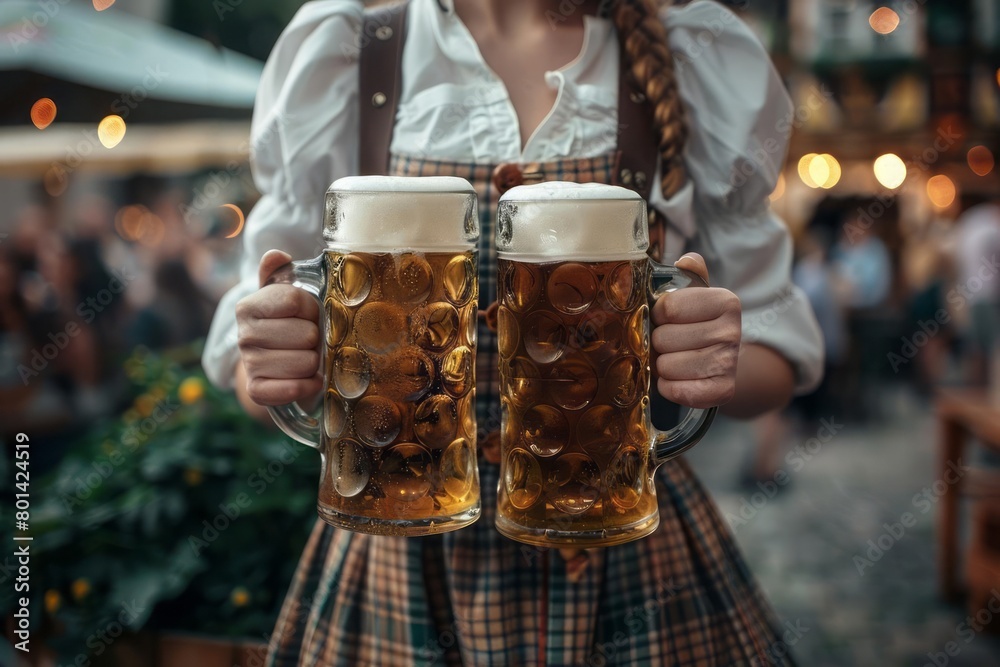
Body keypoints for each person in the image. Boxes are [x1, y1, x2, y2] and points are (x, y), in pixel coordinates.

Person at [203, 1, 824, 664]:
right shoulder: (348, 52)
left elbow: (776, 352)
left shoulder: (690, 55)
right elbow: (257, 362)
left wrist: (710, 360)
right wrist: (277, 362)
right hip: (397, 534)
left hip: (619, 534)